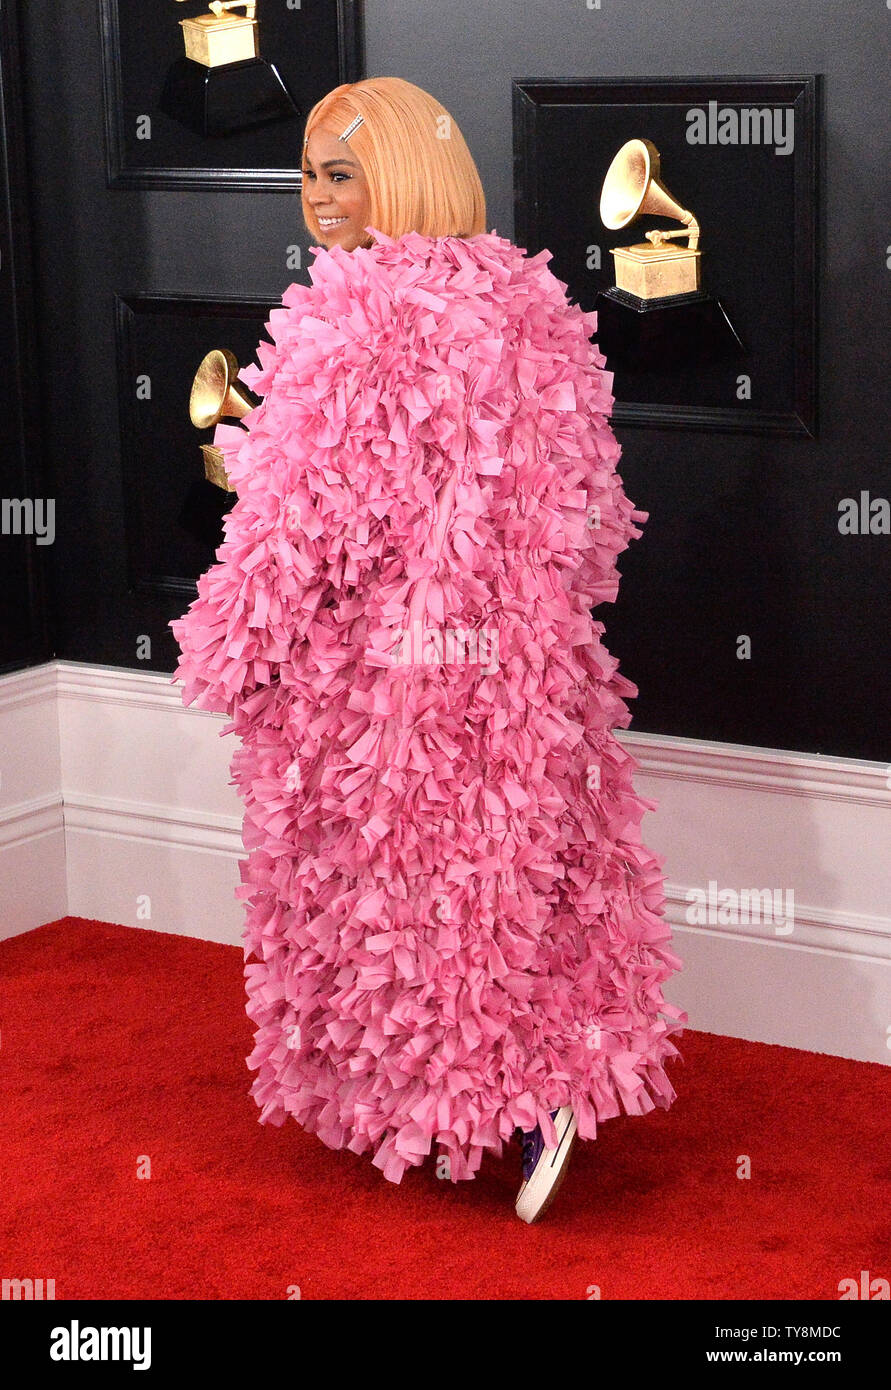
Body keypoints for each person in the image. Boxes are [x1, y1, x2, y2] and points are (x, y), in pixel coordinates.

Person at [170, 76, 687, 1223]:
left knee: (406, 907)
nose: (320, 199)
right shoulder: (534, 304)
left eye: (341, 172)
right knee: (527, 885)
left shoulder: (350, 317)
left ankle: (472, 1105)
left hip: (389, 685)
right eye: (308, 174)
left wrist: (233, 645)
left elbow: (299, 516)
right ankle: (551, 1083)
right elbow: (594, 508)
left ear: (403, 168)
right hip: (524, 670)